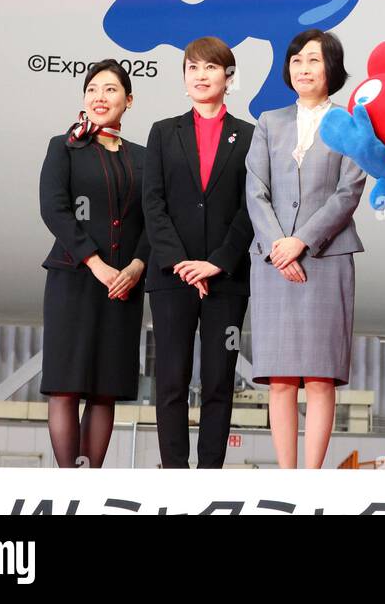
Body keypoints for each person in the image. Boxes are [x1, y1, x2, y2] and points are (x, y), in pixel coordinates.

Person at [245, 29, 366, 468]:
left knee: (319, 377)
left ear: (331, 67)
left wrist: (302, 242)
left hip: (325, 260)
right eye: (296, 61)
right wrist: (280, 246)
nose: (303, 69)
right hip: (273, 261)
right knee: (280, 379)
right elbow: (255, 190)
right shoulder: (269, 122)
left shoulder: (350, 124)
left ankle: (311, 479)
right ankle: (286, 476)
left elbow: (348, 192)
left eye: (313, 60)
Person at [143, 37, 255, 469]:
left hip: (226, 278)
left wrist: (218, 261)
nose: (201, 75)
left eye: (211, 68)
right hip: (171, 277)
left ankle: (210, 474)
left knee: (218, 381)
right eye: (192, 68)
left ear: (228, 77)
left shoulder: (249, 135)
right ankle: (173, 472)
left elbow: (252, 205)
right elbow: (153, 204)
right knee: (170, 380)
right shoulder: (163, 132)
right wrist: (182, 263)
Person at [38, 59, 148, 469]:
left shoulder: (145, 157)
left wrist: (137, 266)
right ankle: (69, 483)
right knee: (66, 387)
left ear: (129, 100)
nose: (100, 98)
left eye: (111, 90)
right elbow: (54, 209)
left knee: (105, 389)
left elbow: (154, 218)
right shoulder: (63, 146)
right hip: (74, 277)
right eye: (93, 90)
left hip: (125, 284)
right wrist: (96, 263)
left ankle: (92, 484)